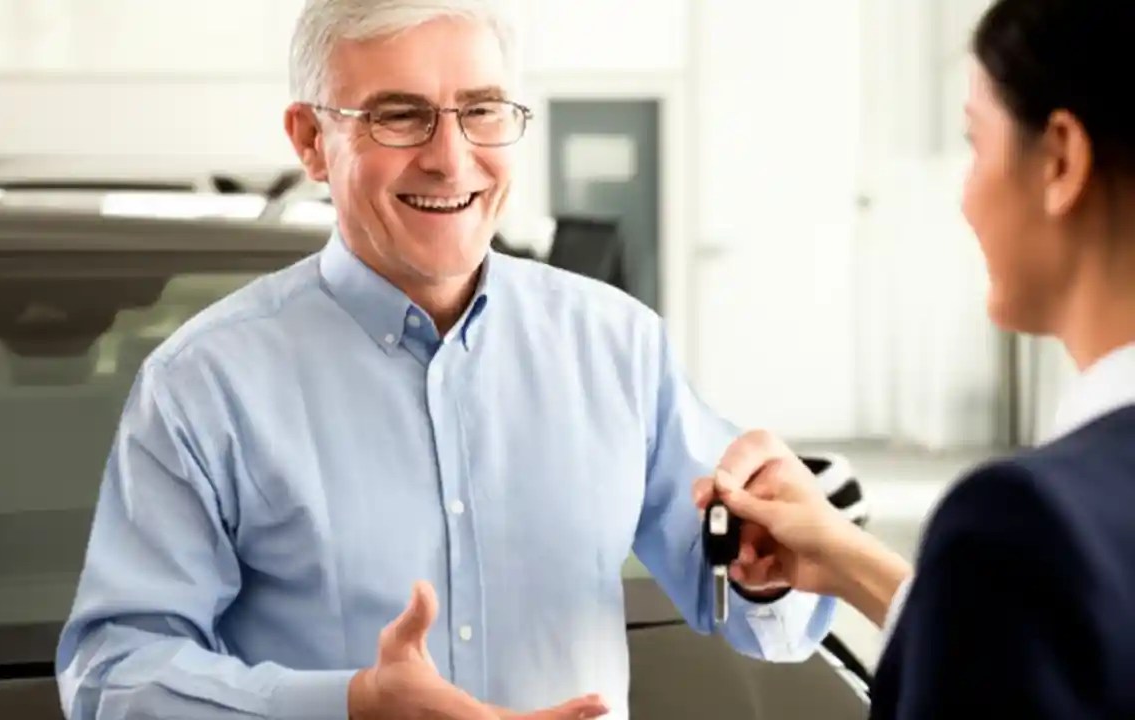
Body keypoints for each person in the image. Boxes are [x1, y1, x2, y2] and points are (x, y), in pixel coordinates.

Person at [54, 1, 848, 718]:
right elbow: (116, 674)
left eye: (481, 111)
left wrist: (768, 569)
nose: (450, 157)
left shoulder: (619, 347)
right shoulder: (206, 385)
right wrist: (350, 707)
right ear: (310, 141)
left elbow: (755, 616)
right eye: (400, 117)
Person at [693, 0, 1135, 717]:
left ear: (1060, 159)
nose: (964, 198)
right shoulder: (1039, 556)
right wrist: (849, 561)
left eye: (974, 143)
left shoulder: (1025, 523)